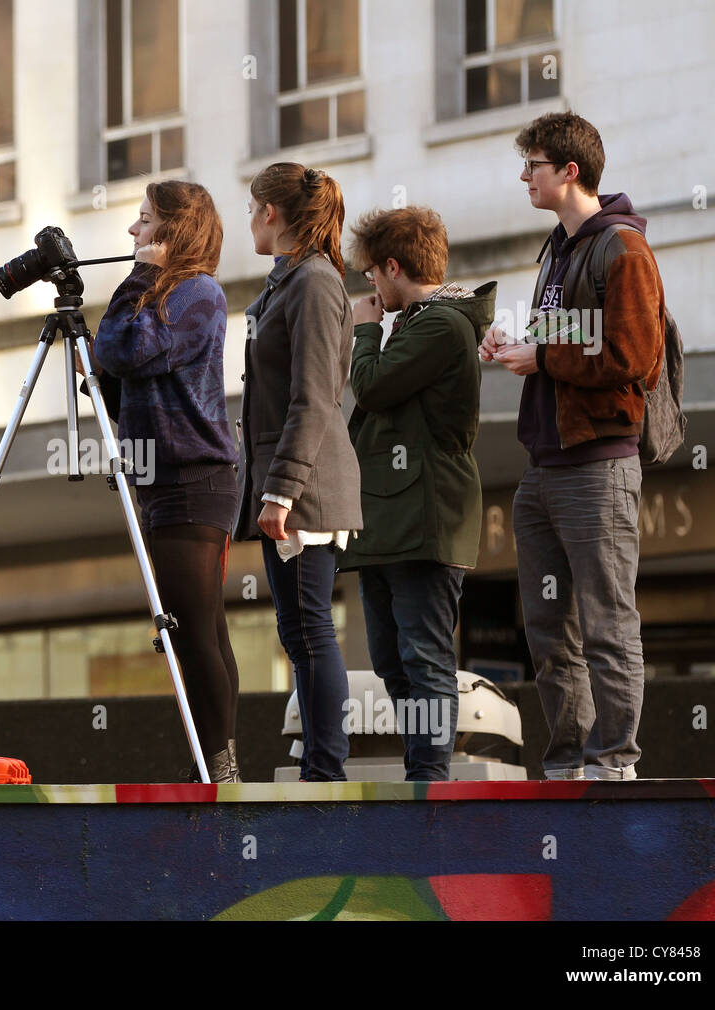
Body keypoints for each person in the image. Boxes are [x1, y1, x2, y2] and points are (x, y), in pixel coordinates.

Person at [480, 111, 664, 780]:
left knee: (608, 623)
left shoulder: (623, 248)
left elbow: (633, 356)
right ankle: (566, 765)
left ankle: (614, 762)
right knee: (548, 630)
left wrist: (545, 357)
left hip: (596, 467)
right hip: (543, 467)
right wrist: (511, 345)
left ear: (569, 171)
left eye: (533, 164)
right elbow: (558, 342)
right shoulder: (556, 249)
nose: (523, 175)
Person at [85, 180, 243, 783]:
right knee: (193, 624)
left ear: (172, 233)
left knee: (193, 625)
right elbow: (120, 368)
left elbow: (129, 350)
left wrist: (133, 281)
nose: (132, 232)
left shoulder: (198, 294)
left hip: (193, 478)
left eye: (144, 220)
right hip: (162, 479)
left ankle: (218, 768)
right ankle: (214, 761)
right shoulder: (165, 295)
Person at [340, 205, 495, 781]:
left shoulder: (440, 323)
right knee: (390, 660)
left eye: (372, 274)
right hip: (389, 518)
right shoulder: (421, 322)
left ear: (393, 266)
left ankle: (429, 780)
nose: (371, 287)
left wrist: (364, 329)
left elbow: (373, 386)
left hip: (425, 519)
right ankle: (420, 766)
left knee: (424, 658)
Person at [233, 163, 362, 782]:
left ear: (273, 214)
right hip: (289, 483)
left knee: (311, 629)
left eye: (252, 207)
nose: (248, 219)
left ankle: (326, 769)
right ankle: (318, 762)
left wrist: (280, 490)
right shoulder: (291, 281)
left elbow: (313, 397)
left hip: (303, 488)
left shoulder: (312, 281)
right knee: (297, 629)